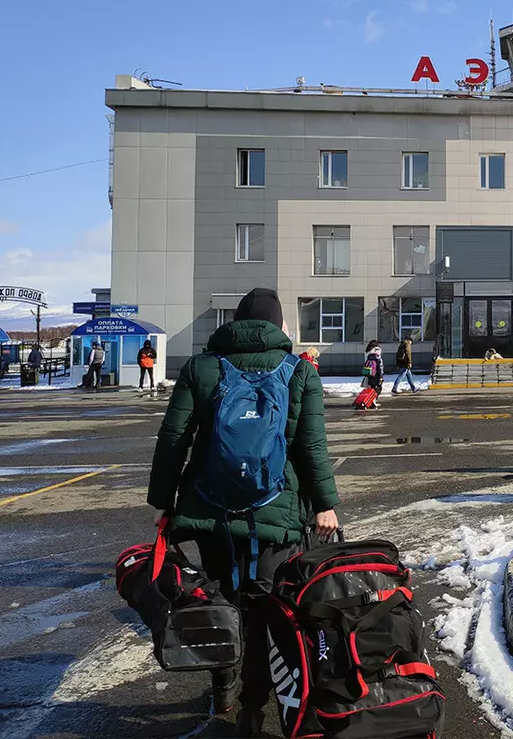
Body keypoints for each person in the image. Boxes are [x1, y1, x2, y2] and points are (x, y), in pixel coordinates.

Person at [146, 287, 340, 734]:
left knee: (221, 600)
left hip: (211, 511)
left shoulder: (202, 368)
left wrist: (165, 503)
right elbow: (311, 447)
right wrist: (325, 505)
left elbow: (173, 439)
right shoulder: (299, 372)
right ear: (277, 324)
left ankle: (224, 691)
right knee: (267, 606)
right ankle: (255, 706)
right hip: (277, 511)